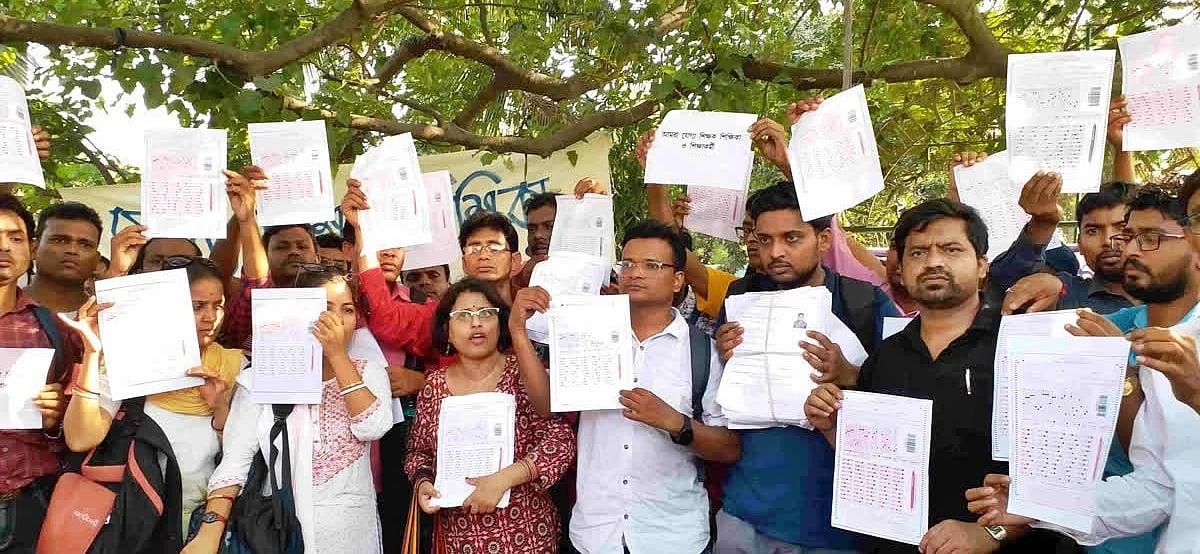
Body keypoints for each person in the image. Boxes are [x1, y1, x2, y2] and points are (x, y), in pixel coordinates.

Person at [805, 199, 1072, 553]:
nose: (932, 261)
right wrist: (830, 425)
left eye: (950, 249)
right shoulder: (886, 357)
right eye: (917, 253)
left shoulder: (1026, 348)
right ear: (900, 270)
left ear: (981, 267)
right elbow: (874, 459)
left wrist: (989, 534)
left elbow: (1067, 475)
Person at [967, 181, 1200, 552]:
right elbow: (1161, 485)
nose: (1129, 249)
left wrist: (1123, 375)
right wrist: (1035, 501)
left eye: (1151, 237)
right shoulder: (1110, 330)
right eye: (1131, 236)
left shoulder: (1165, 344)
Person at [510, 219, 738, 553]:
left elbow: (730, 447)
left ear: (678, 280)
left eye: (652, 265)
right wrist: (518, 331)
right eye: (628, 263)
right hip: (596, 532)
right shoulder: (587, 331)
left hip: (673, 535)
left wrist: (675, 423)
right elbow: (546, 405)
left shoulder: (702, 350)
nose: (635, 273)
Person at [709, 182, 899, 553]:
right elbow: (721, 397)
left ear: (824, 239)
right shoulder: (739, 298)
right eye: (764, 240)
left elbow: (904, 401)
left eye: (791, 238)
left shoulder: (865, 303)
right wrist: (723, 353)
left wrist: (852, 375)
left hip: (834, 526)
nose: (775, 252)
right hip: (744, 514)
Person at [189, 265, 392, 553]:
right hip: (280, 536)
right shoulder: (261, 378)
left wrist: (336, 355)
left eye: (347, 310)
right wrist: (210, 530)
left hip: (352, 537)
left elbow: (373, 426)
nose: (338, 320)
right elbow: (235, 463)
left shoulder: (368, 372)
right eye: (326, 308)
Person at [60, 255, 244, 535]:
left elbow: (241, 455)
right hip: (135, 519)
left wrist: (219, 407)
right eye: (197, 307)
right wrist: (92, 354)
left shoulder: (234, 366)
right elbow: (80, 437)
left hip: (201, 524)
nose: (211, 317)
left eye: (218, 305)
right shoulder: (129, 361)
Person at [405, 278, 576, 552]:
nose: (476, 323)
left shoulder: (522, 373)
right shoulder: (434, 386)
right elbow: (418, 454)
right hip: (459, 538)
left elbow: (561, 441)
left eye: (486, 314)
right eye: (463, 316)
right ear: (447, 331)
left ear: (501, 323)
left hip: (526, 533)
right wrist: (423, 483)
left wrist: (503, 479)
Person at [0, 194, 80, 553]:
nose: (4, 246)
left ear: (31, 249)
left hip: (27, 501)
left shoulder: (50, 327)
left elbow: (72, 421)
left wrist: (55, 418)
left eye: (15, 237)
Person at [999, 181, 1139, 316]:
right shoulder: (1062, 294)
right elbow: (1006, 284)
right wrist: (1042, 224)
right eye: (1093, 231)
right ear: (1079, 243)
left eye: (1122, 228)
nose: (1108, 240)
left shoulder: (1159, 297)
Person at [217, 168, 320, 349]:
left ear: (318, 258)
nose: (294, 252)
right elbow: (257, 283)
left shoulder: (333, 297)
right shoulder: (250, 296)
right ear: (264, 255)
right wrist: (245, 217)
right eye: (282, 247)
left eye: (302, 246)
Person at [25, 201, 103, 313]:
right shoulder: (5, 308)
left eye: (85, 245)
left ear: (96, 260)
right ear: (34, 249)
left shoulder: (110, 317)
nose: (72, 250)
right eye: (60, 240)